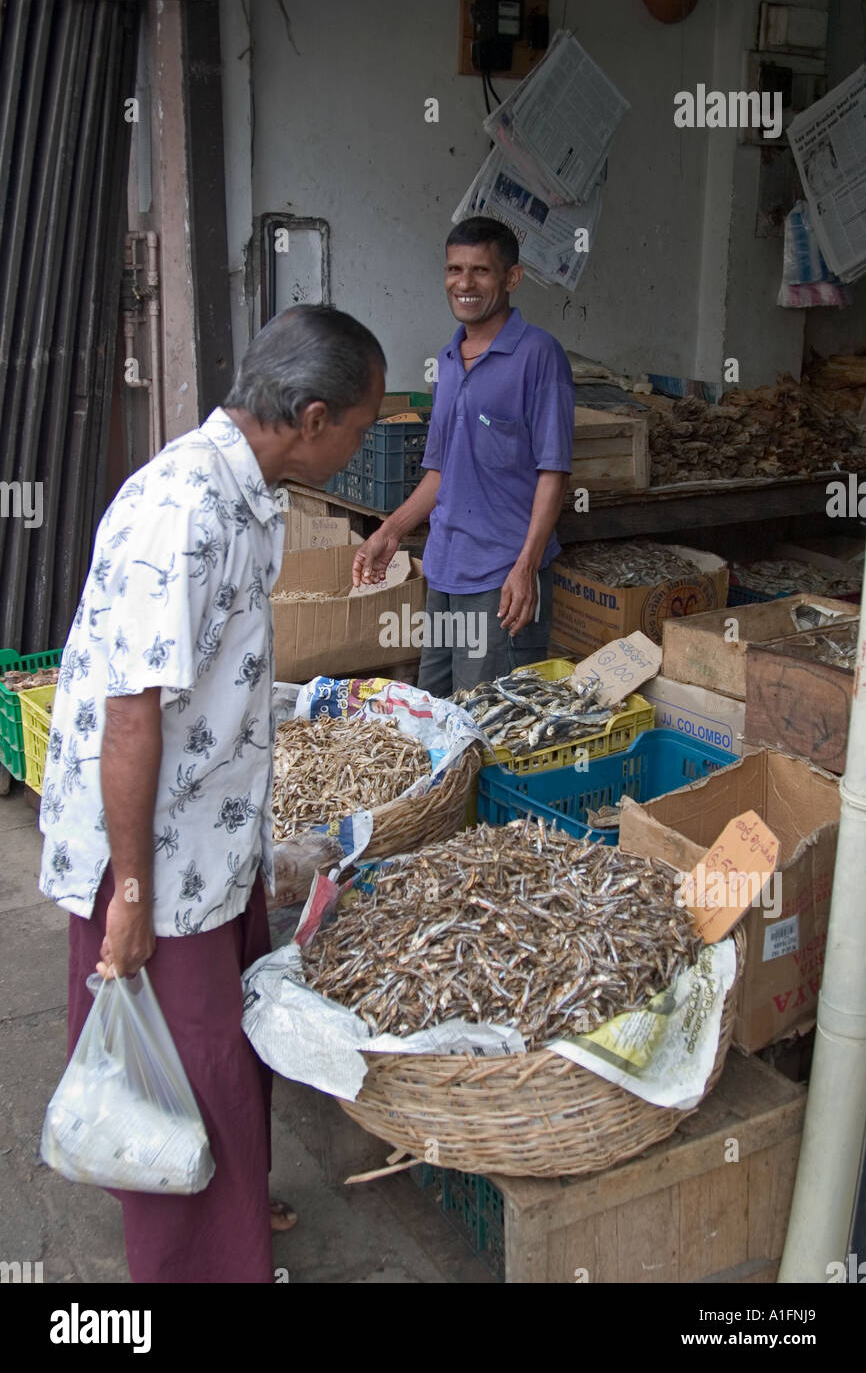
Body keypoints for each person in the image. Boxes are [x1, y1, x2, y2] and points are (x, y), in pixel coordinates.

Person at [39, 305, 386, 1283]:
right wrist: (132, 900)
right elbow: (131, 717)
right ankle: (194, 1262)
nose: (360, 447)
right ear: (312, 416)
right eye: (359, 427)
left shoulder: (253, 491)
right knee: (184, 1058)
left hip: (210, 832)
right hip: (153, 849)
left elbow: (206, 670)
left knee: (227, 1041)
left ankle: (228, 1195)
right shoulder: (181, 509)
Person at [352, 216, 573, 697]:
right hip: (445, 571)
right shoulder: (448, 361)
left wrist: (526, 566)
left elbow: (553, 472)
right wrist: (389, 532)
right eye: (454, 269)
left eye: (480, 271)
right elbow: (441, 471)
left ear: (511, 278)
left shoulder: (539, 355)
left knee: (488, 719)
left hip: (501, 579)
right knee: (439, 708)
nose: (464, 283)